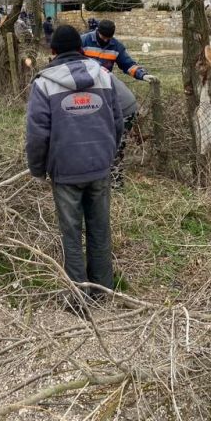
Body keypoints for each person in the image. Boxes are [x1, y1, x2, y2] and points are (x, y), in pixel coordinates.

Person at [26, 25, 123, 311]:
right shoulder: (104, 77)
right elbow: (117, 123)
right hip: (99, 168)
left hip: (65, 173)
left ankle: (78, 298)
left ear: (53, 51)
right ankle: (103, 289)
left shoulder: (43, 84)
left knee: (71, 233)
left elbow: (36, 135)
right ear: (80, 49)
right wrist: (107, 155)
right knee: (99, 228)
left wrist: (37, 169)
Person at [81, 19, 157, 185]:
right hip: (92, 92)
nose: (106, 40)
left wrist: (142, 75)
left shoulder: (116, 47)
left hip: (109, 96)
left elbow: (128, 65)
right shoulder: (84, 41)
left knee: (113, 141)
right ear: (97, 32)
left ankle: (112, 178)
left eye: (109, 38)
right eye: (103, 37)